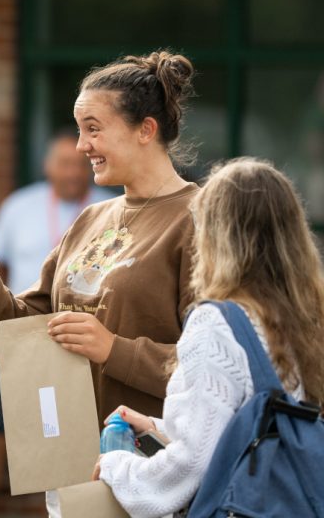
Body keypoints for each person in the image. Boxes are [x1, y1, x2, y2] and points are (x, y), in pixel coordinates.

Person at [0, 51, 202, 423]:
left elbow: (218, 367)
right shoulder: (91, 219)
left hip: (155, 464)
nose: (80, 145)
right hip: (71, 457)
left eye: (93, 128)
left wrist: (112, 349)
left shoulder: (202, 221)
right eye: (79, 130)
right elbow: (20, 339)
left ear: (146, 130)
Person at [94, 158, 323, 516]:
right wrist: (156, 426)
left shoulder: (216, 324)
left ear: (215, 236)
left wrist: (118, 467)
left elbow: (193, 463)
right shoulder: (302, 316)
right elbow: (250, 424)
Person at [0, 130, 112, 518]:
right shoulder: (20, 206)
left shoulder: (109, 208)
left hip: (83, 339)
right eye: (63, 163)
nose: (72, 172)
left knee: (76, 439)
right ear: (48, 166)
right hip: (25, 336)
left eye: (78, 164)